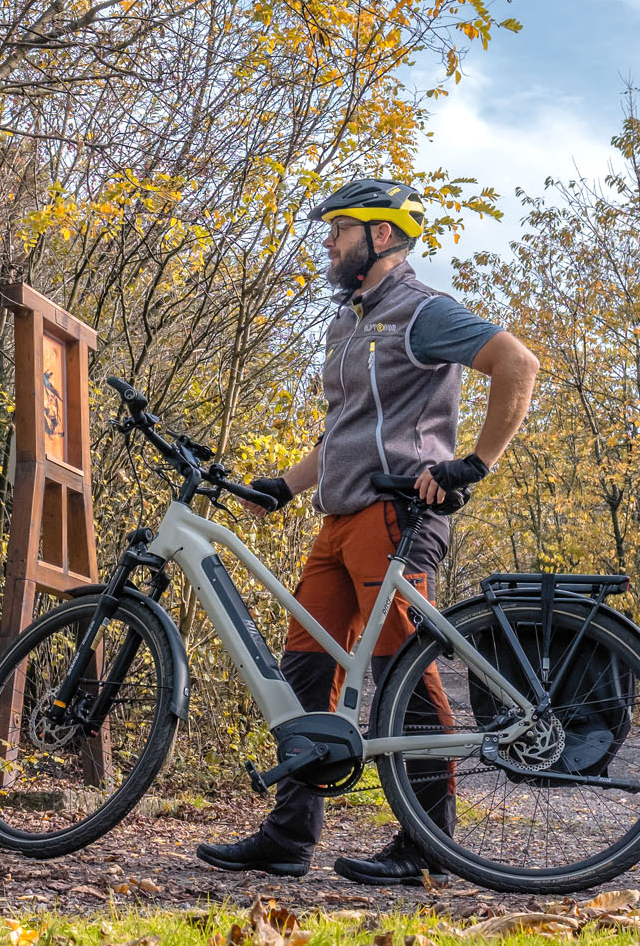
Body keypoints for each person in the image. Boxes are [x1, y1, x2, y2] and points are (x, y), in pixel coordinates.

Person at [195, 177, 540, 886]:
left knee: (402, 673)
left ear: (381, 236)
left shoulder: (423, 311)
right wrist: (284, 485)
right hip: (336, 521)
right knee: (302, 674)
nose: (328, 240)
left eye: (339, 228)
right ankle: (290, 836)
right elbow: (343, 430)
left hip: (396, 517)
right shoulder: (347, 322)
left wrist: (472, 463)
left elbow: (518, 363)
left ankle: (429, 843)